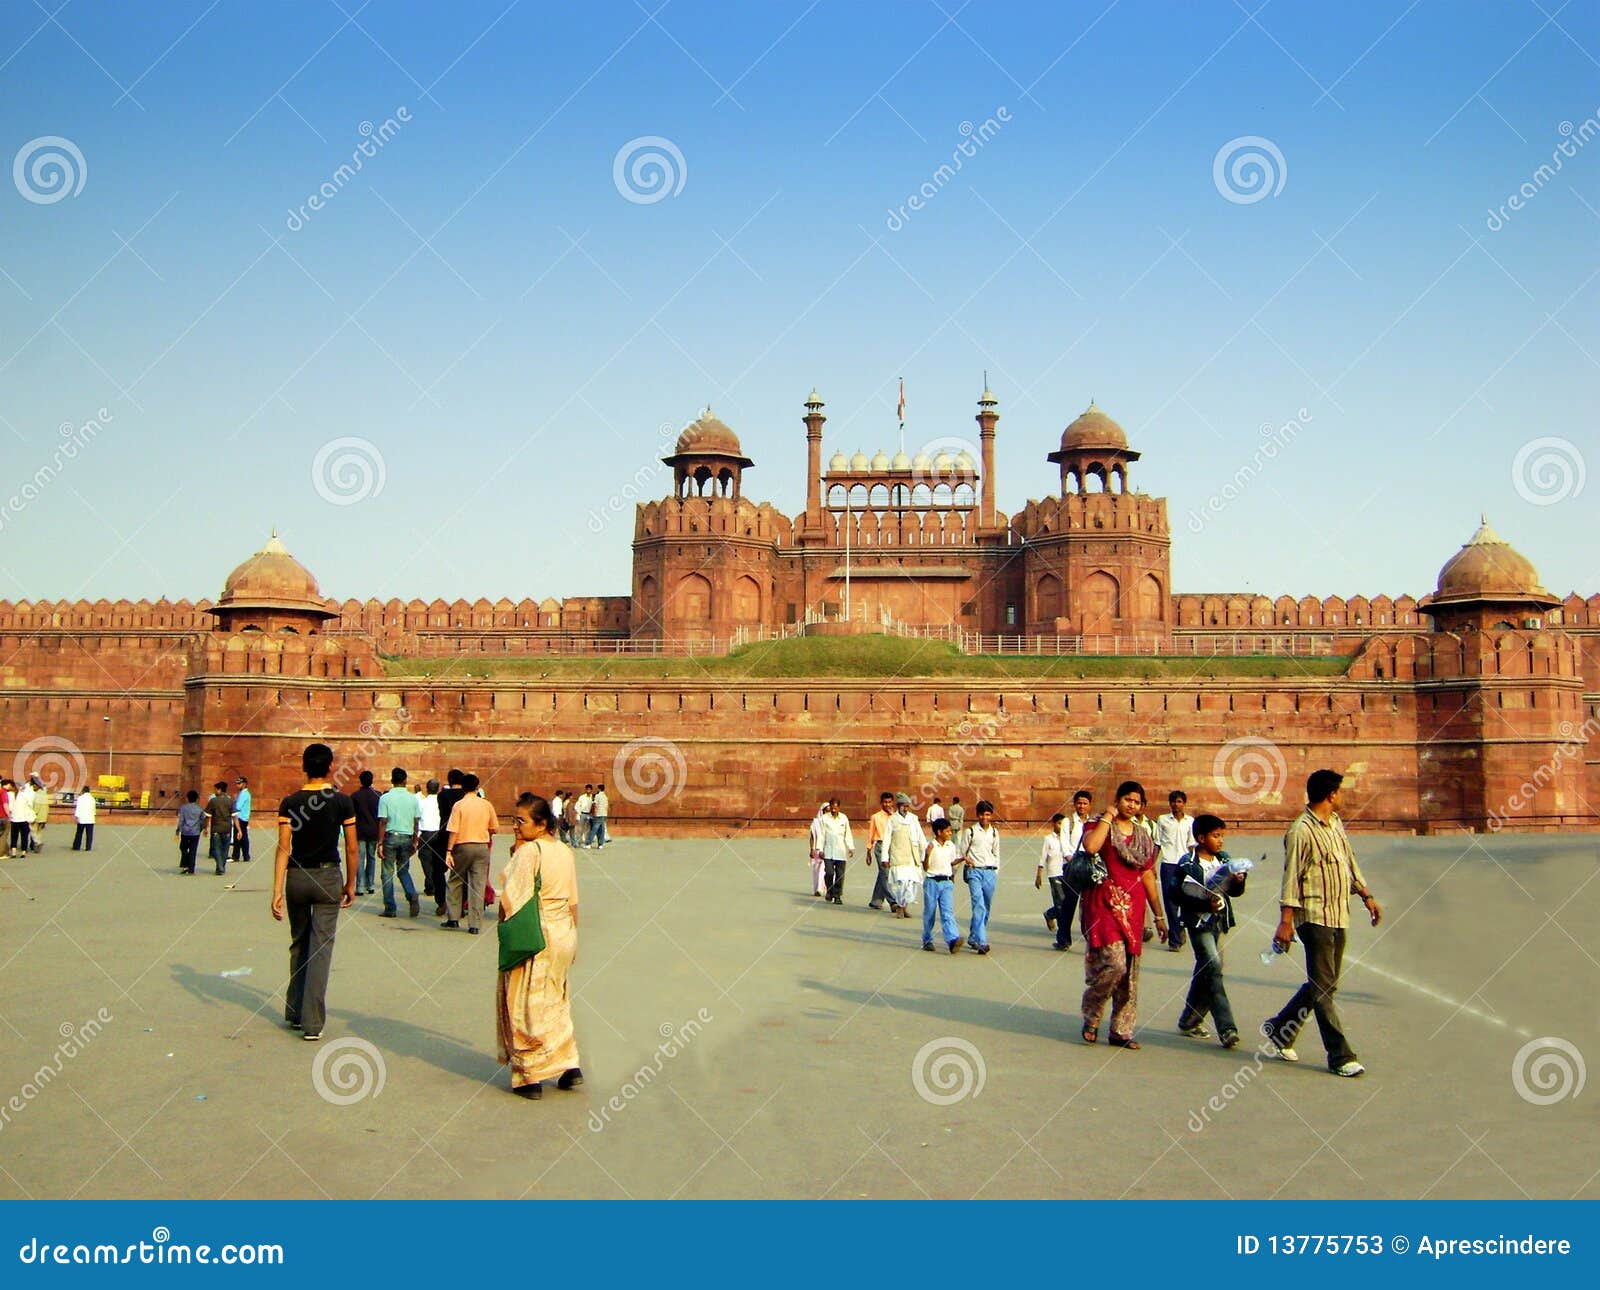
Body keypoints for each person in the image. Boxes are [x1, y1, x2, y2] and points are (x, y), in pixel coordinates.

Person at [1264, 770, 1382, 1077]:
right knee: (1323, 988)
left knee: (1325, 984)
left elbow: (1348, 862)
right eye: (1340, 792)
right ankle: (1340, 1055)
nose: (1342, 797)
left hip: (1338, 913)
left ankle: (1281, 1028)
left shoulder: (1336, 825)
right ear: (1331, 795)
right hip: (1313, 916)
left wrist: (1366, 895)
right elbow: (1290, 877)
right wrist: (1285, 921)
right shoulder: (1300, 831)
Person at [496, 792, 581, 1100]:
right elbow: (573, 901)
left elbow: (511, 900)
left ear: (541, 823)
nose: (516, 826)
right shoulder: (564, 851)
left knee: (524, 1004)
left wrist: (505, 938)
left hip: (536, 937)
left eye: (521, 821)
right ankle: (569, 1065)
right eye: (514, 820)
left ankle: (529, 1077)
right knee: (556, 1000)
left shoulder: (530, 852)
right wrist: (574, 938)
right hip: (563, 934)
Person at [271, 742, 358, 1042]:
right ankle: (312, 1022)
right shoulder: (342, 802)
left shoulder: (290, 802)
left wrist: (276, 890)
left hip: (296, 877)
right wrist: (351, 883)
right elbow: (352, 847)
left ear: (304, 767)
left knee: (299, 944)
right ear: (331, 766)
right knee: (320, 949)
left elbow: (283, 847)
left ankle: (294, 1011)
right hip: (327, 877)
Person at [1078, 781, 1166, 1047]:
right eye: (1127, 799)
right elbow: (1091, 847)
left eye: (1137, 802)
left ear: (1142, 807)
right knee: (1115, 965)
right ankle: (1092, 1013)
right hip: (1104, 905)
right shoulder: (1098, 825)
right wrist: (1108, 816)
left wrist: (1159, 916)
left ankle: (1120, 1030)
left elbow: (1148, 875)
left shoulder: (1143, 836)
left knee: (1129, 975)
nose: (1132, 805)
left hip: (1133, 909)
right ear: (1117, 800)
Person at [1175, 813, 1248, 1048]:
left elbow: (1235, 893)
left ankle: (1190, 1020)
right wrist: (1205, 904)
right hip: (1199, 923)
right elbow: (1176, 895)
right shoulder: (1187, 863)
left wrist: (1238, 881)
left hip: (1218, 922)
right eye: (1216, 836)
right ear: (1201, 838)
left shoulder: (1224, 860)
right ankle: (1227, 1028)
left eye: (1222, 836)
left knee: (1206, 969)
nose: (1221, 841)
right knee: (1214, 968)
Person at [444, 772, 498, 934]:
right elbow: (494, 828)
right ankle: (475, 924)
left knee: (455, 880)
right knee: (478, 884)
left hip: (462, 846)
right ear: (476, 786)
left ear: (462, 787)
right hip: (481, 846)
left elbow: (453, 830)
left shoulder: (459, 805)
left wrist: (449, 850)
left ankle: (453, 918)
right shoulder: (486, 805)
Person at [1048, 790, 1093, 948]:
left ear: (1089, 805)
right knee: (1069, 903)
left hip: (1088, 864)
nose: (1081, 806)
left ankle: (1093, 938)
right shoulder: (1069, 822)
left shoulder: (1093, 821)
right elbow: (1064, 842)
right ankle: (1064, 939)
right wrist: (1070, 858)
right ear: (1074, 805)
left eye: (1085, 803)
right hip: (1073, 865)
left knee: (1091, 903)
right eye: (1079, 803)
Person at [376, 767, 422, 918]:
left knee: (387, 873)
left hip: (390, 837)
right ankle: (411, 894)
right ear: (405, 781)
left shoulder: (385, 798)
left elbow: (383, 821)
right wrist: (415, 841)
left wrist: (380, 843)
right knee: (403, 870)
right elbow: (416, 822)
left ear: (392, 780)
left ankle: (390, 907)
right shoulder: (413, 798)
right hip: (407, 837)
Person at [1154, 790, 1196, 950]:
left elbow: (1192, 844)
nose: (1176, 805)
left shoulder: (1190, 821)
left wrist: (1195, 865)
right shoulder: (1163, 820)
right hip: (1168, 864)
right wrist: (1152, 865)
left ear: (1184, 803)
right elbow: (1157, 843)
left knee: (1184, 900)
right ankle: (1175, 940)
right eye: (1173, 801)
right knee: (1170, 902)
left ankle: (1179, 928)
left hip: (1185, 864)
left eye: (1179, 801)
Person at [961, 799, 1000, 953]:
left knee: (986, 907)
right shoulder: (970, 832)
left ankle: (973, 935)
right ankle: (981, 941)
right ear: (977, 815)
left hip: (990, 872)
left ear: (991, 815)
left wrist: (995, 872)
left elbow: (997, 853)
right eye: (982, 814)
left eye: (988, 814)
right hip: (974, 871)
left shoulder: (995, 832)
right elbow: (961, 852)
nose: (985, 818)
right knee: (979, 906)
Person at [921, 817, 965, 954]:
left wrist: (963, 859)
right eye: (948, 831)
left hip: (946, 882)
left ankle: (952, 939)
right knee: (930, 913)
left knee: (947, 913)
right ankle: (927, 939)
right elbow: (926, 867)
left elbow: (951, 862)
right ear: (939, 832)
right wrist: (927, 855)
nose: (950, 833)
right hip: (932, 882)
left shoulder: (950, 845)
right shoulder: (930, 846)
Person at [884, 792, 925, 918]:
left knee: (911, 884)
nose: (906, 808)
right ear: (899, 806)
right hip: (898, 855)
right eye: (903, 806)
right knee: (900, 884)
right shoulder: (892, 819)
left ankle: (904, 907)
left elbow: (920, 836)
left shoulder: (913, 819)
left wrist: (925, 854)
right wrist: (885, 857)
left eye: (907, 806)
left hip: (912, 856)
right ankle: (900, 908)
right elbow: (887, 839)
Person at [1036, 812, 1072, 951]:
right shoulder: (1048, 839)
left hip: (1066, 873)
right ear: (1054, 824)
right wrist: (1039, 874)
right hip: (1054, 873)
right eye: (1059, 824)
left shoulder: (1067, 839)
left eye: (1063, 824)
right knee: (1061, 904)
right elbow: (1043, 857)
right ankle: (1053, 920)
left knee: (1065, 904)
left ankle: (1051, 916)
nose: (1061, 827)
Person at [817, 798, 853, 902]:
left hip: (840, 851)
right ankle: (829, 890)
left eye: (835, 808)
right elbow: (821, 835)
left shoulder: (843, 818)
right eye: (832, 808)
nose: (833, 810)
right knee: (829, 872)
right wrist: (820, 849)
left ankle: (837, 896)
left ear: (838, 808)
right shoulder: (824, 818)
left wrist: (850, 847)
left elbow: (848, 834)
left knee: (840, 875)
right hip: (828, 850)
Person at [864, 790, 895, 911]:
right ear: (881, 803)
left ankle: (876, 900)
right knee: (885, 873)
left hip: (892, 846)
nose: (887, 804)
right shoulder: (876, 817)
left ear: (892, 803)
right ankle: (892, 901)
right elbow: (871, 834)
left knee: (883, 873)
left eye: (889, 802)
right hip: (881, 846)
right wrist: (868, 851)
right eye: (885, 802)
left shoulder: (895, 816)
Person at [351, 770, 381, 895]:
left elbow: (352, 815)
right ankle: (370, 884)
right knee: (371, 858)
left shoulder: (355, 796)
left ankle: (360, 886)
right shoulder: (378, 795)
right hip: (374, 830)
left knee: (360, 858)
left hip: (360, 831)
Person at [418, 778, 443, 908]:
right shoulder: (441, 801)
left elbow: (417, 819)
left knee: (426, 860)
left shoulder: (422, 802)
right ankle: (435, 884)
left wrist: (416, 836)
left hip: (426, 833)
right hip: (438, 834)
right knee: (437, 861)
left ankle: (430, 884)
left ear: (427, 789)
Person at [205, 781, 234, 875]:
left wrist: (205, 827)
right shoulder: (230, 800)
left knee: (216, 848)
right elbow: (235, 816)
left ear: (219, 790)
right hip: (227, 828)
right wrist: (239, 830)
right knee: (225, 849)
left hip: (216, 828)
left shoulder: (213, 801)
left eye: (215, 789)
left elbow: (208, 815)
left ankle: (220, 866)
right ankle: (222, 866)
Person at [176, 790, 205, 873]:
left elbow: (181, 820)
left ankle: (185, 864)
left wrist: (178, 830)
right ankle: (191, 868)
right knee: (193, 850)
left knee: (183, 848)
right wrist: (201, 829)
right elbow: (203, 820)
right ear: (197, 799)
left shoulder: (184, 808)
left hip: (185, 832)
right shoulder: (199, 808)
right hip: (195, 832)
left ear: (187, 798)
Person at [8, 777, 34, 858]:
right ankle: (23, 852)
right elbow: (30, 804)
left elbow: (10, 808)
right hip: (24, 819)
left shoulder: (11, 795)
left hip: (14, 819)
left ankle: (14, 852)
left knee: (14, 836)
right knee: (24, 836)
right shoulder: (25, 795)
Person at [806, 802, 828, 897]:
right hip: (816, 849)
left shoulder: (831, 822)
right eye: (826, 811)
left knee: (823, 869)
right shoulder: (816, 822)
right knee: (816, 870)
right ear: (822, 811)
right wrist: (811, 849)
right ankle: (816, 889)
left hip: (827, 849)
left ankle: (820, 888)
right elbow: (811, 837)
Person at [231, 776, 253, 863]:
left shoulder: (244, 794)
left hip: (240, 817)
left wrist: (232, 805)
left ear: (244, 784)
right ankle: (246, 855)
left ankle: (236, 856)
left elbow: (238, 806)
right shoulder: (245, 793)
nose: (237, 785)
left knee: (238, 837)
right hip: (244, 818)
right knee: (244, 837)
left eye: (239, 783)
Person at [72, 785, 97, 851]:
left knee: (79, 833)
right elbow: (94, 809)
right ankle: (88, 847)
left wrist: (76, 816)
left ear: (83, 791)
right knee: (89, 834)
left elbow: (78, 808)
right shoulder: (92, 799)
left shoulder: (80, 798)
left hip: (82, 818)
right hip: (90, 819)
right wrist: (93, 815)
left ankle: (77, 846)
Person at [30, 777, 48, 850]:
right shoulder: (44, 792)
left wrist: (33, 814)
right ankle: (37, 843)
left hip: (37, 816)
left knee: (33, 830)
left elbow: (36, 806)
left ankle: (37, 842)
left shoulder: (38, 794)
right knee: (39, 831)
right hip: (44, 815)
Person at [574, 784, 593, 848]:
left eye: (589, 789)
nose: (588, 790)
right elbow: (577, 806)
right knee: (580, 829)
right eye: (587, 789)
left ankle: (587, 842)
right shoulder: (582, 797)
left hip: (589, 814)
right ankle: (577, 842)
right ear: (585, 789)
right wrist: (579, 814)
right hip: (582, 814)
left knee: (588, 830)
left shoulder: (592, 797)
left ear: (591, 790)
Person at [591, 783, 610, 848]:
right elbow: (606, 806)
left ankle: (588, 843)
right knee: (602, 830)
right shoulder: (605, 796)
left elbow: (595, 805)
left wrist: (595, 813)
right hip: (604, 814)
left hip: (598, 814)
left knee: (594, 829)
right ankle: (600, 844)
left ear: (599, 789)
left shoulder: (597, 796)